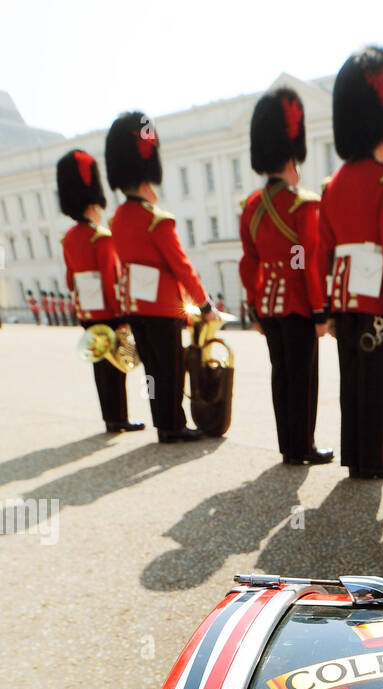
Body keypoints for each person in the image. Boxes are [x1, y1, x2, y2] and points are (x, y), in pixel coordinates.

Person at [319, 47, 383, 480]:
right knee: (375, 385)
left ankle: (353, 454)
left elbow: (324, 250)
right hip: (375, 299)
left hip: (343, 297)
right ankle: (372, 459)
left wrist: (327, 308)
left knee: (350, 382)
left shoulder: (331, 186)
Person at [106, 110, 216, 443]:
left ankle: (162, 423)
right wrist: (205, 303)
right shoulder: (157, 220)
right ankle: (173, 425)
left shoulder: (117, 220)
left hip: (135, 306)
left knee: (153, 371)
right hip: (164, 308)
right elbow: (182, 266)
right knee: (170, 370)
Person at [239, 87, 332, 467]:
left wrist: (255, 307)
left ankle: (287, 446)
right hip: (297, 305)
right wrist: (319, 310)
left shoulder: (252, 206)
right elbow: (305, 261)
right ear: (293, 156)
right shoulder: (302, 203)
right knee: (304, 380)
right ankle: (303, 446)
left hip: (269, 305)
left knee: (281, 378)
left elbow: (250, 261)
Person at [57, 148, 144, 433]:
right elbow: (112, 280)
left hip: (86, 311)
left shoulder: (68, 238)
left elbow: (70, 280)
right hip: (108, 311)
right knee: (117, 367)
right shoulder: (101, 236)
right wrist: (123, 314)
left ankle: (110, 418)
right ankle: (120, 418)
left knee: (99, 367)